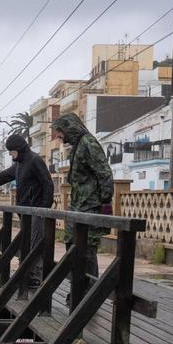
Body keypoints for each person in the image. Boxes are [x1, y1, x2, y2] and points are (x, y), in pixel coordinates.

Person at [0, 133, 55, 286]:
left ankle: (33, 278)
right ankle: (25, 273)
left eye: (11, 151)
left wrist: (43, 209)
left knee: (35, 244)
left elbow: (48, 183)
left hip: (36, 211)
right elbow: (4, 176)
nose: (10, 154)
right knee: (26, 243)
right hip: (25, 212)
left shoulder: (34, 160)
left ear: (18, 149)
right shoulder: (20, 164)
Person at [50, 112, 114, 281]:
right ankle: (77, 286)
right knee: (71, 244)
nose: (59, 136)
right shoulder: (77, 145)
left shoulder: (88, 143)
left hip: (90, 204)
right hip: (78, 204)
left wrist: (105, 202)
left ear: (69, 128)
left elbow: (104, 172)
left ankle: (89, 290)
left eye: (60, 132)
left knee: (87, 249)